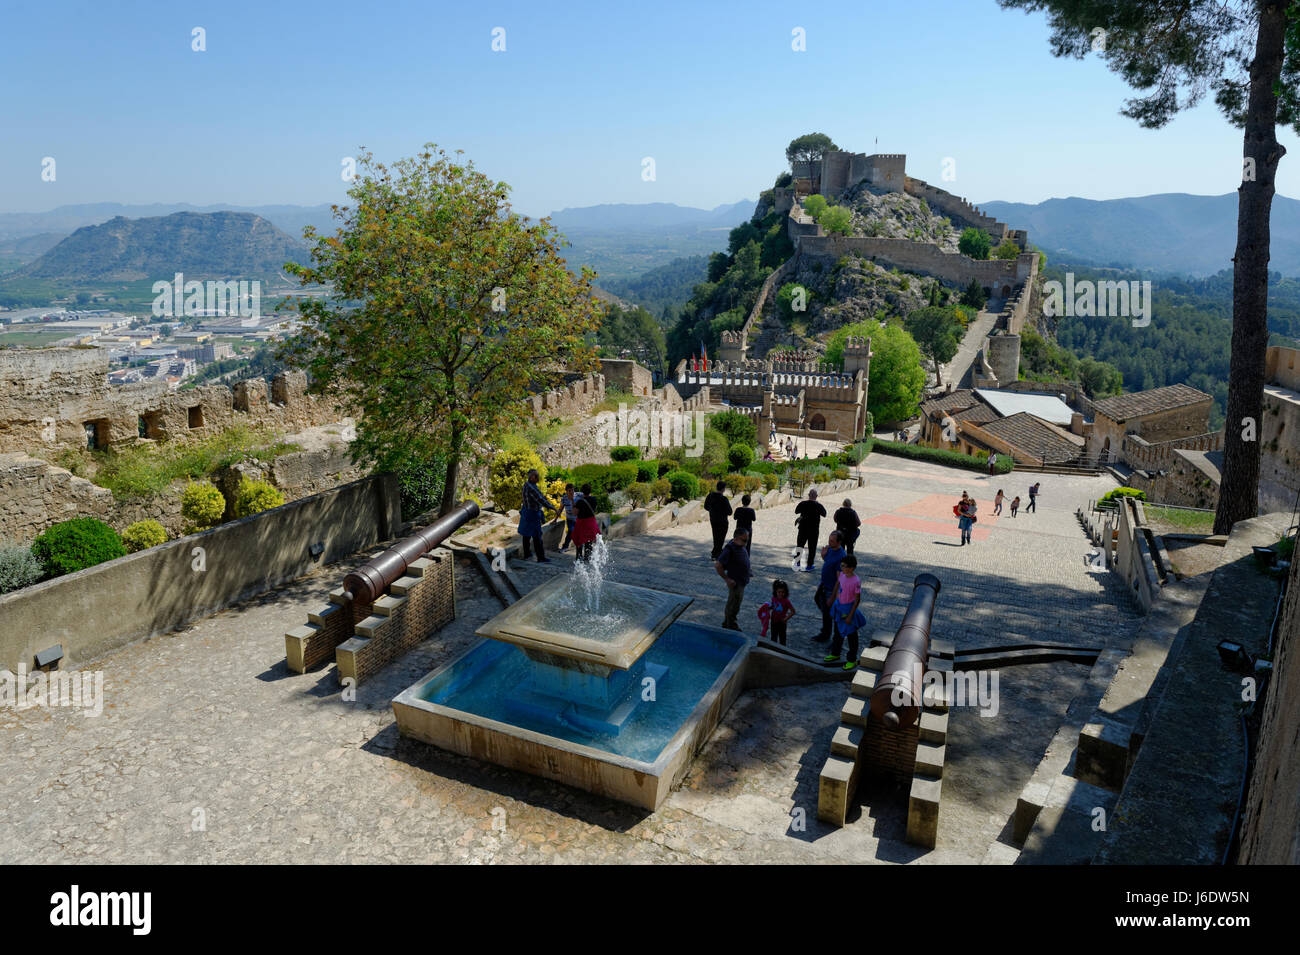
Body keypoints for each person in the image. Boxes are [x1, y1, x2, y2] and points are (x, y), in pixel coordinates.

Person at [823, 554, 867, 670]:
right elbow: (838, 584)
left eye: (844, 566)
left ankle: (852, 659)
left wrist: (850, 615)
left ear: (851, 568)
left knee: (852, 636)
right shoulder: (842, 574)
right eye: (841, 565)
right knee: (837, 632)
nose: (841, 567)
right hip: (839, 607)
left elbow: (857, 599)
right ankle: (835, 653)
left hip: (848, 609)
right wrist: (832, 597)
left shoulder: (856, 581)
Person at [519, 469, 560, 563]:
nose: (538, 478)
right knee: (537, 537)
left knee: (526, 534)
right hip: (532, 514)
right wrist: (554, 508)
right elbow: (541, 499)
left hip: (526, 512)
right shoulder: (532, 488)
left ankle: (527, 554)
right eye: (536, 476)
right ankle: (541, 558)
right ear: (532, 477)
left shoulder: (527, 484)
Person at [715, 528, 751, 631]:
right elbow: (718, 565)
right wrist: (727, 579)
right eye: (744, 540)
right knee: (733, 605)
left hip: (742, 581)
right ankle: (730, 625)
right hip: (735, 583)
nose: (746, 543)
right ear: (735, 538)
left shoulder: (739, 545)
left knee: (736, 603)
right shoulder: (730, 548)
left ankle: (728, 623)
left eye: (747, 540)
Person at [813, 530, 845, 643]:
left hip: (831, 589)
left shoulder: (841, 556)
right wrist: (823, 556)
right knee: (818, 601)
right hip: (824, 585)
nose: (829, 542)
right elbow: (828, 563)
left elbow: (839, 579)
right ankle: (826, 631)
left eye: (832, 541)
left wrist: (833, 597)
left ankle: (828, 635)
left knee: (829, 612)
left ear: (839, 542)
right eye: (829, 540)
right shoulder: (830, 549)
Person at [794, 488, 826, 571]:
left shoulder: (803, 503)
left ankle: (797, 563)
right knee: (812, 548)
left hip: (803, 528)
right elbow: (824, 514)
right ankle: (809, 565)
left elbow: (796, 511)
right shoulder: (818, 506)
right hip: (814, 530)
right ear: (816, 496)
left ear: (808, 495)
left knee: (800, 545)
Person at [758, 579, 796, 646]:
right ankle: (773, 650)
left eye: (783, 592)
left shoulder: (786, 601)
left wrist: (785, 619)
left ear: (786, 592)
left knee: (782, 638)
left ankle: (782, 651)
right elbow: (773, 606)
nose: (781, 594)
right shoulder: (774, 598)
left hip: (782, 623)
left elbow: (793, 611)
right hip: (773, 621)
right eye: (779, 592)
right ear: (775, 591)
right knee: (773, 637)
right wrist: (769, 607)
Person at [703, 480, 732, 560]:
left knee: (715, 537)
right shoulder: (724, 499)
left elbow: (705, 506)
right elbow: (730, 512)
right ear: (723, 489)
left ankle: (715, 553)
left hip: (713, 519)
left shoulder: (710, 495)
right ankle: (716, 554)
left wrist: (712, 511)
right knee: (721, 538)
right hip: (723, 521)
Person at [571, 483, 601, 561]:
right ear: (590, 490)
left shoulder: (580, 502)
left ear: (582, 491)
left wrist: (572, 502)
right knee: (589, 541)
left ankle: (579, 558)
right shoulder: (594, 499)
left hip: (582, 524)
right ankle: (588, 558)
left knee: (579, 541)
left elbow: (575, 513)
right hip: (591, 523)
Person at [559, 483, 577, 550]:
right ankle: (565, 547)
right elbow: (560, 509)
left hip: (578, 519)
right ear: (566, 491)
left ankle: (579, 546)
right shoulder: (564, 498)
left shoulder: (578, 495)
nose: (571, 492)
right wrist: (555, 520)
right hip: (570, 519)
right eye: (569, 490)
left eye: (572, 490)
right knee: (571, 531)